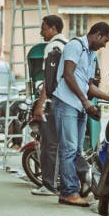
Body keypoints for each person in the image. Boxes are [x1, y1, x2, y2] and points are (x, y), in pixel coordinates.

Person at [53, 22, 109, 207]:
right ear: (97, 34)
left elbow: (89, 86)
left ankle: (74, 188)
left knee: (77, 151)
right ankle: (69, 192)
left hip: (79, 106)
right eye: (105, 40)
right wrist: (85, 101)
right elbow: (68, 75)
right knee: (69, 149)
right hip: (66, 103)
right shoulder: (75, 46)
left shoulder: (92, 54)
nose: (104, 45)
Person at [30, 15, 68, 197]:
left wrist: (40, 104)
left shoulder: (52, 47)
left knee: (49, 145)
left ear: (53, 29)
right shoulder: (67, 45)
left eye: (44, 28)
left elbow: (49, 80)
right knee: (65, 146)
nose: (41, 32)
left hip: (54, 102)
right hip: (67, 102)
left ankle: (49, 185)